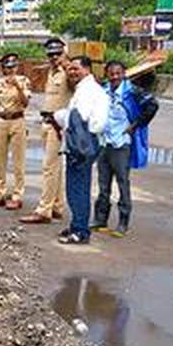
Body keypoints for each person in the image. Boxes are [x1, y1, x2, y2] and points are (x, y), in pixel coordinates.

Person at [91, 59, 159, 238]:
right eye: (111, 74)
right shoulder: (104, 90)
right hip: (105, 143)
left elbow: (152, 105)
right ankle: (100, 219)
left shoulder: (132, 91)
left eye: (118, 73)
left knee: (122, 184)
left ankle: (123, 223)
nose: (114, 77)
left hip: (122, 144)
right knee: (103, 184)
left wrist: (136, 125)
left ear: (124, 74)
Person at [53, 55, 109, 246]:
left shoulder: (88, 91)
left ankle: (80, 231)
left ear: (87, 69)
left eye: (76, 68)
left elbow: (81, 119)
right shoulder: (88, 89)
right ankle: (77, 225)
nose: (72, 72)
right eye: (70, 69)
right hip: (85, 143)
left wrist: (59, 116)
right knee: (77, 187)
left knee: (77, 189)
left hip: (82, 144)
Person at [21, 38, 73, 225]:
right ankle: (57, 206)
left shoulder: (68, 71)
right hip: (47, 122)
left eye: (57, 54)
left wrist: (68, 67)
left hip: (59, 125)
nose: (54, 58)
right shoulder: (51, 72)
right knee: (55, 168)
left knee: (49, 167)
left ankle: (44, 210)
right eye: (50, 55)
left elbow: (78, 87)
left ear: (64, 53)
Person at [0, 53, 31, 211]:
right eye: (7, 67)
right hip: (2, 120)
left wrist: (17, 87)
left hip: (17, 119)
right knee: (1, 159)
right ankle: (0, 193)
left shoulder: (24, 81)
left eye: (13, 67)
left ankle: (17, 194)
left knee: (18, 160)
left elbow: (25, 103)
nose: (10, 70)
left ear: (17, 67)